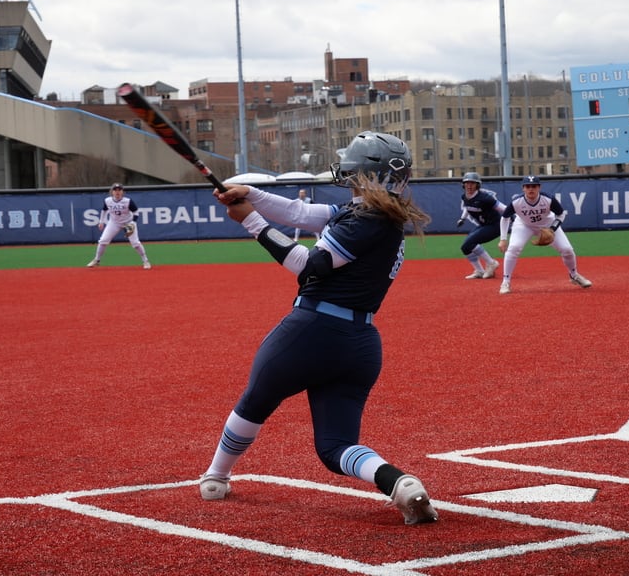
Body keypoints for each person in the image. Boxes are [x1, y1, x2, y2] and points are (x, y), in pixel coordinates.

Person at [198, 131, 438, 525]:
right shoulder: (377, 214)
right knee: (335, 446)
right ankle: (398, 482)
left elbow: (308, 266)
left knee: (255, 401)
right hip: (361, 344)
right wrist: (251, 194)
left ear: (366, 172)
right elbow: (300, 213)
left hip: (312, 331)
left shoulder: (366, 220)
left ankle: (216, 477)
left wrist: (252, 221)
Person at [496, 175, 591, 294]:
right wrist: (503, 239)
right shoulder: (517, 202)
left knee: (567, 249)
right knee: (514, 248)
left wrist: (552, 229)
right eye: (528, 186)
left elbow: (561, 214)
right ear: (523, 188)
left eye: (534, 186)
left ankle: (574, 275)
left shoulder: (548, 199)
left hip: (547, 225)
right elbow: (505, 217)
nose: (531, 189)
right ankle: (505, 282)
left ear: (539, 187)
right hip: (524, 225)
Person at [86, 183, 152, 269]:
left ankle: (145, 260)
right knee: (103, 241)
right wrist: (101, 221)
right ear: (112, 192)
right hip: (114, 223)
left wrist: (133, 223)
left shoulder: (128, 201)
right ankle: (97, 260)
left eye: (119, 190)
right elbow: (104, 210)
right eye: (115, 190)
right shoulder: (107, 200)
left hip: (128, 222)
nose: (117, 192)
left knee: (135, 243)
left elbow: (136, 212)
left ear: (122, 192)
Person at [456, 172, 505, 279]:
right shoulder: (464, 196)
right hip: (484, 225)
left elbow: (503, 208)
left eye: (472, 183)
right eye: (467, 183)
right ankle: (479, 271)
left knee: (470, 243)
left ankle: (491, 263)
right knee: (465, 248)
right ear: (463, 184)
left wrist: (513, 216)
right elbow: (467, 207)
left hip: (495, 226)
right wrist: (462, 219)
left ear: (477, 185)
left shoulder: (485, 198)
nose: (469, 186)